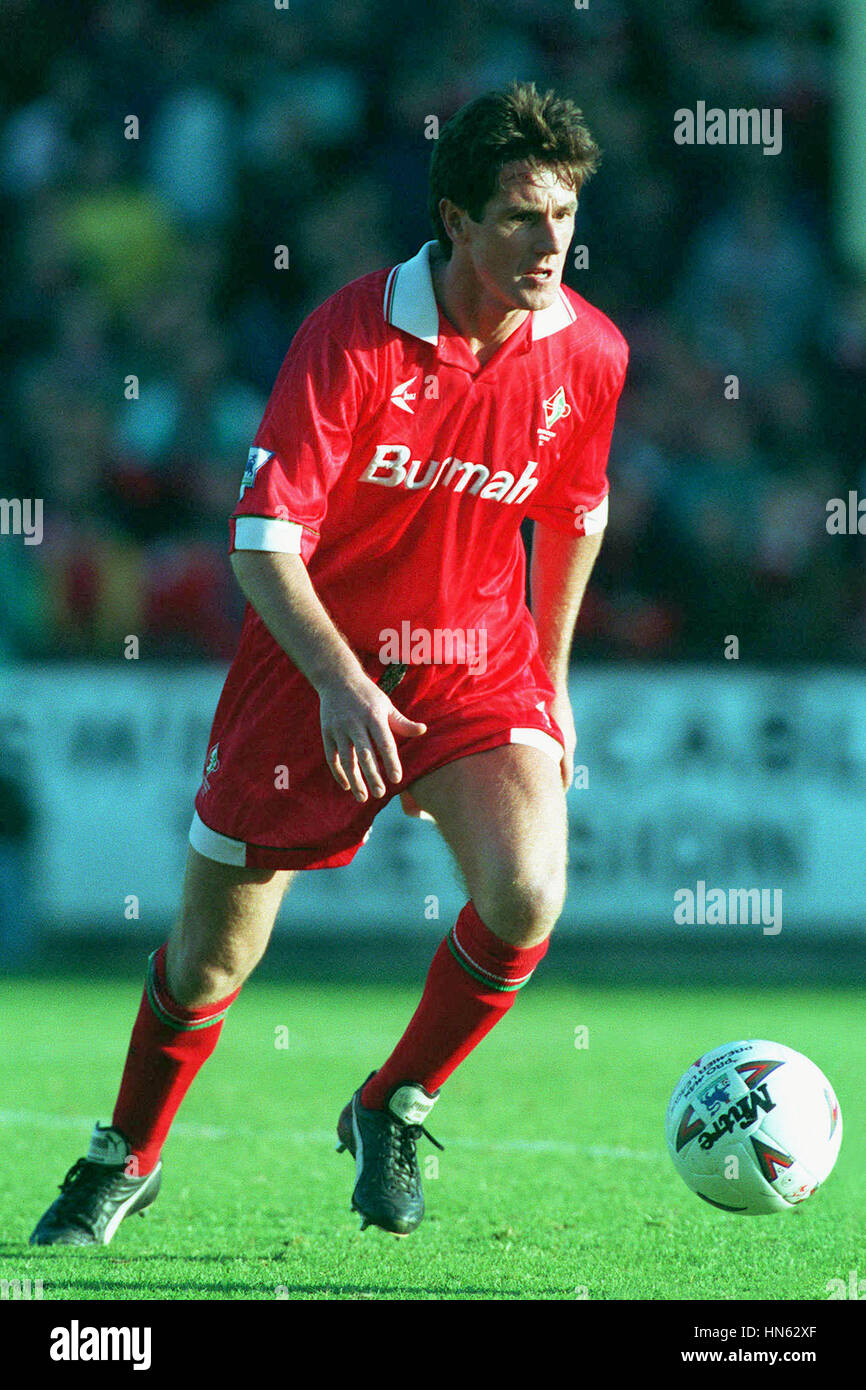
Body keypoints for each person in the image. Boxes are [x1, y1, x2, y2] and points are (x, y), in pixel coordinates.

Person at [31, 80, 628, 1245]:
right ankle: (127, 1153)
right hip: (311, 669)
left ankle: (392, 1102)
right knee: (209, 964)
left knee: (524, 895)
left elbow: (575, 513)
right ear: (454, 218)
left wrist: (550, 680)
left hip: (471, 660)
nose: (550, 243)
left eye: (562, 216)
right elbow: (261, 546)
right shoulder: (352, 334)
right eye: (520, 216)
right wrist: (342, 682)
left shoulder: (589, 353)